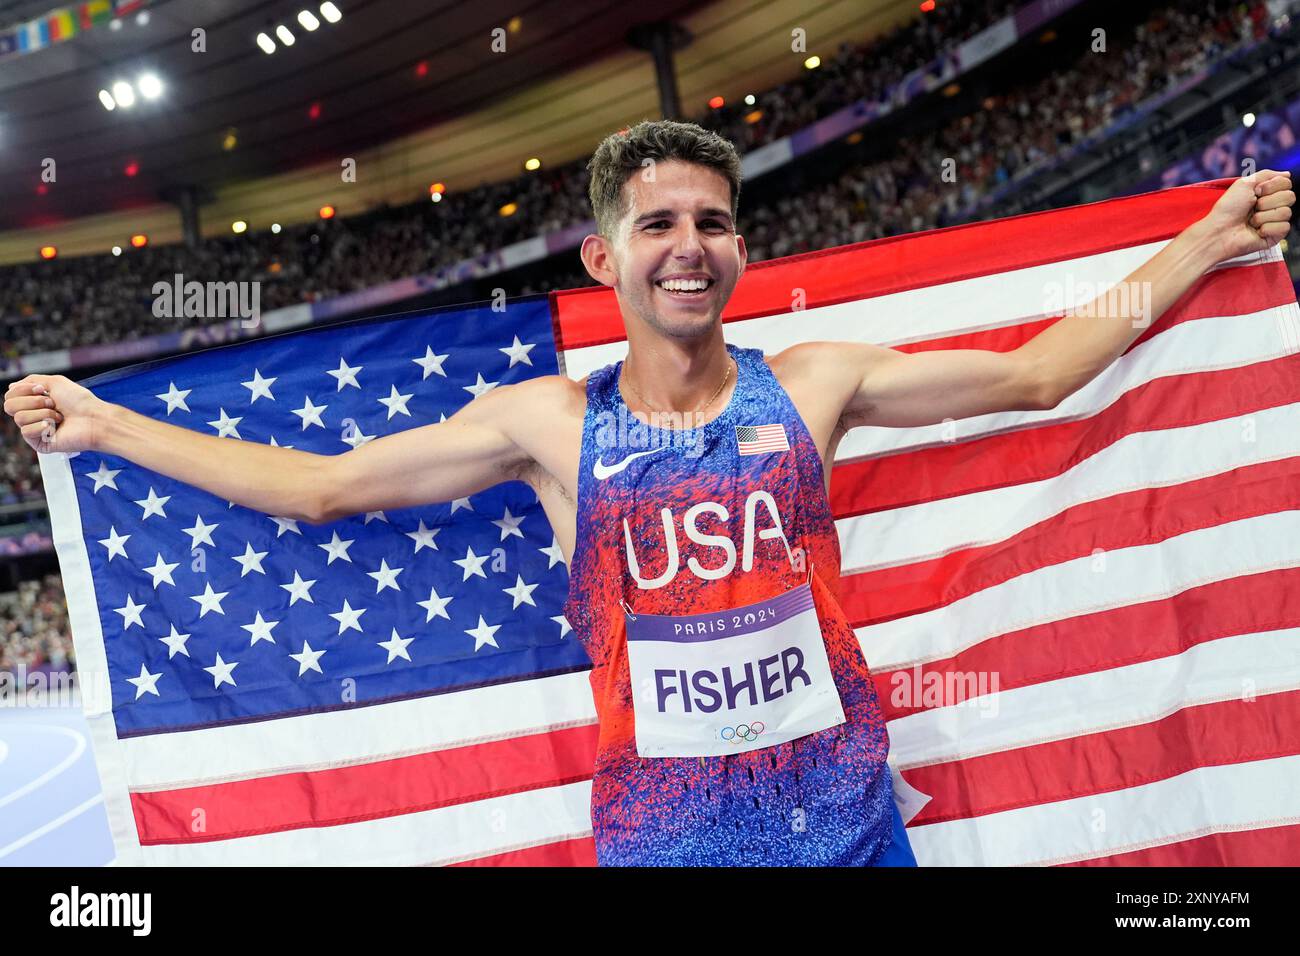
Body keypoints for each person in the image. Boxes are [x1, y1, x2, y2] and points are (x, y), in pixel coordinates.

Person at [5, 120, 1293, 866]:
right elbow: (322, 490)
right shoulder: (553, 423)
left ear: (741, 245)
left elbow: (1034, 373)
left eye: (713, 223)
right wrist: (109, 421)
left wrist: (1209, 240)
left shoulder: (817, 378)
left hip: (850, 828)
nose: (690, 248)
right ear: (603, 253)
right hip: (670, 850)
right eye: (659, 224)